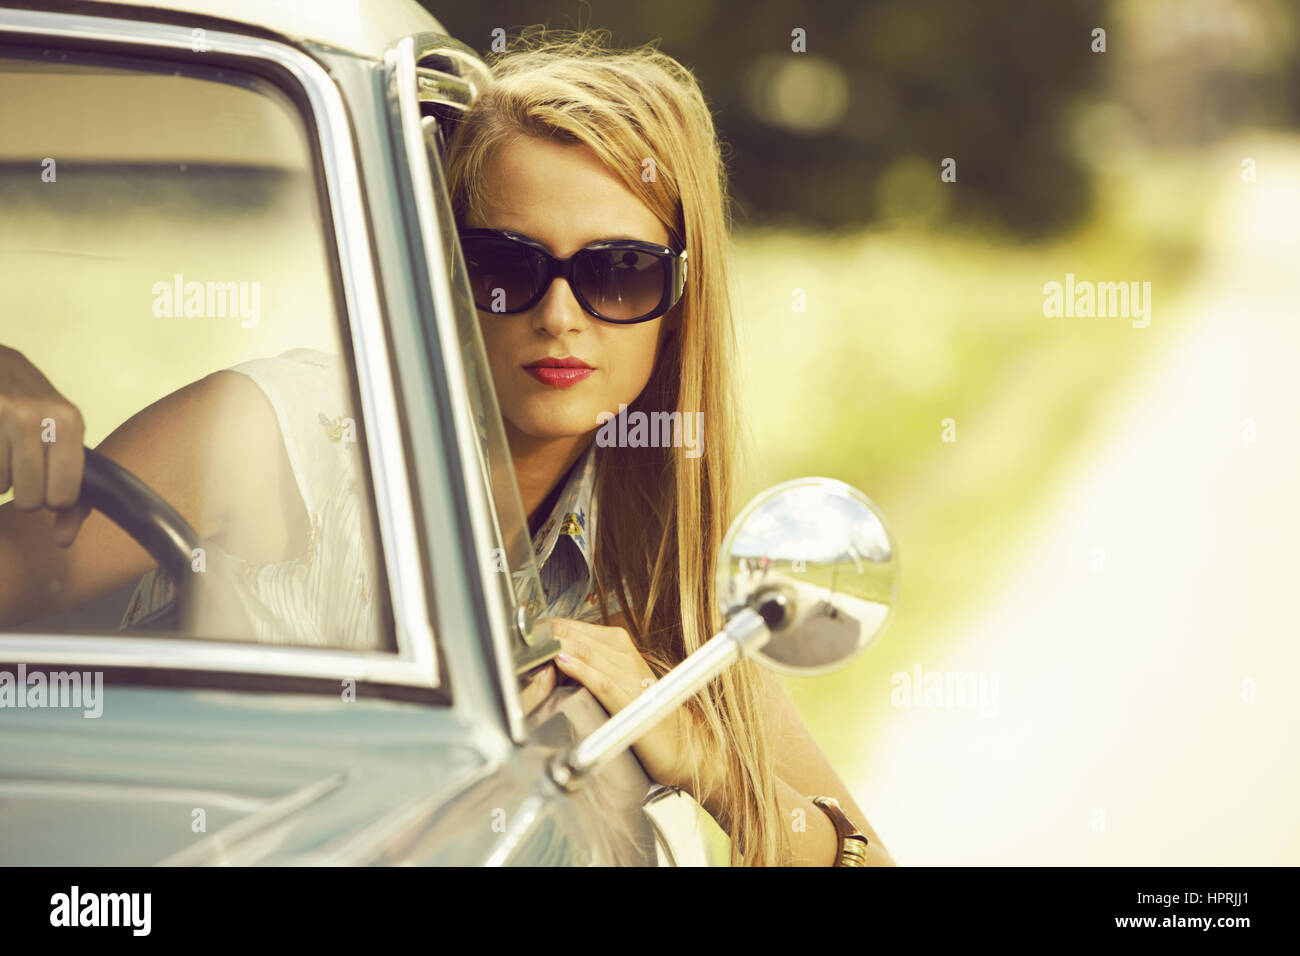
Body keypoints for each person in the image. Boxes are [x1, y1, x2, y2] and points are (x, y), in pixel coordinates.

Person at [0, 29, 893, 866]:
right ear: (444, 270)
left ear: (679, 296)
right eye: (505, 268)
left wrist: (705, 760)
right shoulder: (280, 430)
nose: (559, 316)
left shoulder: (656, 564)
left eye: (618, 272)